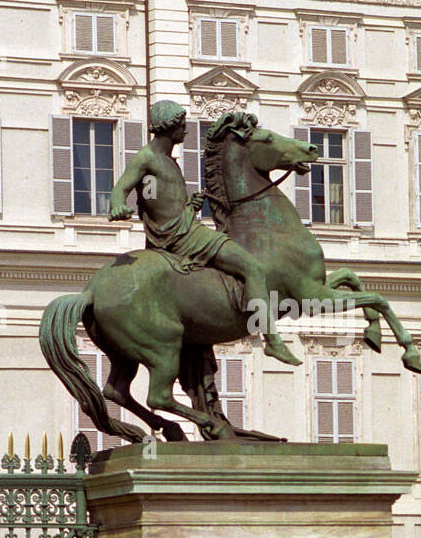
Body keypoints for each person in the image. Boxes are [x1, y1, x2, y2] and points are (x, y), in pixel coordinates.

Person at [108, 101, 300, 366]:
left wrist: (189, 206)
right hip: (182, 235)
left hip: (184, 226)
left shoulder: (167, 161)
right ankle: (273, 342)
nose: (186, 131)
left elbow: (159, 199)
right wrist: (117, 205)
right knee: (252, 267)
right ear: (168, 128)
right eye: (182, 126)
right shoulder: (146, 157)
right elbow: (121, 188)